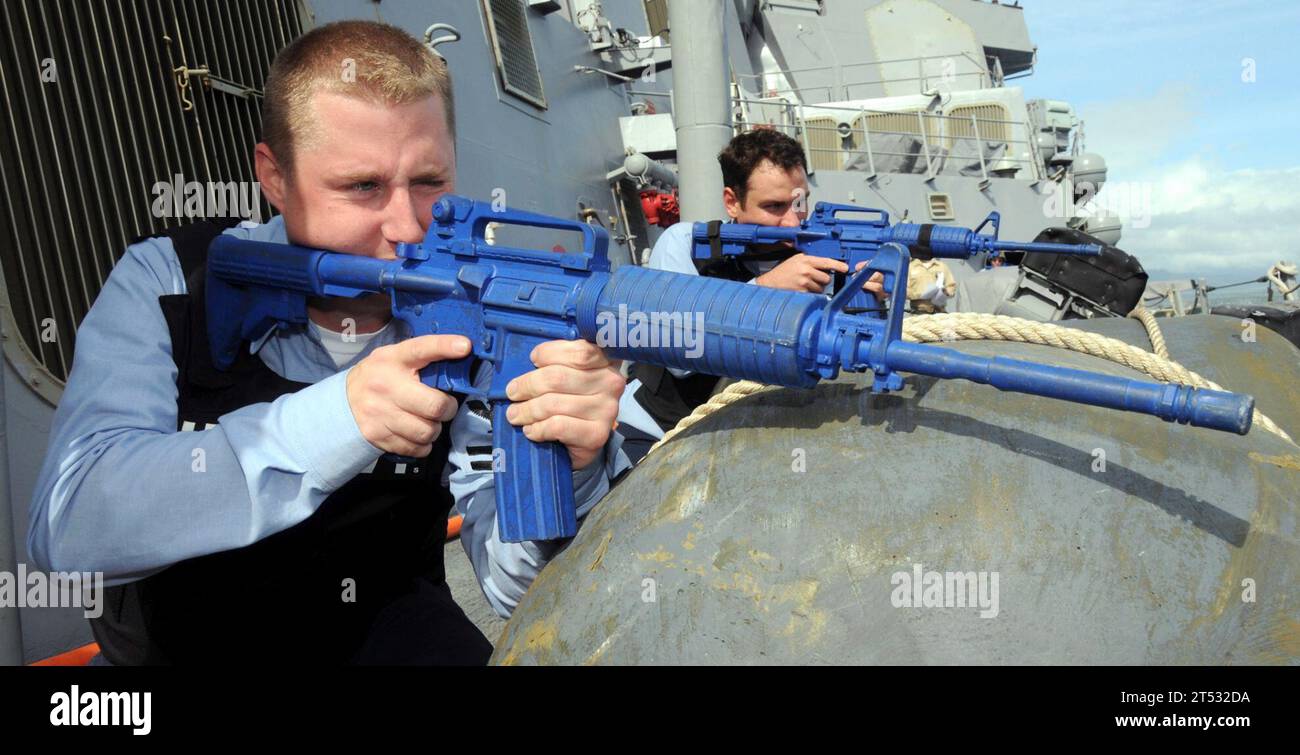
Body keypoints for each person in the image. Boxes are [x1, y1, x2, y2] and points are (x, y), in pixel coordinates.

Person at [27, 21, 628, 665]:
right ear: (275, 178)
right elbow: (69, 528)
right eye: (362, 187)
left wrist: (576, 470)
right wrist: (338, 418)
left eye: (430, 182)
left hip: (383, 629)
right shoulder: (174, 282)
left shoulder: (472, 302)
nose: (405, 226)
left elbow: (519, 591)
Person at [618, 129, 883, 461]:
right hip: (661, 430)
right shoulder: (685, 244)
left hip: (755, 439)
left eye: (799, 203)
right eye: (774, 206)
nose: (792, 221)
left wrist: (863, 299)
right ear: (732, 201)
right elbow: (679, 356)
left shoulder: (829, 255)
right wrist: (766, 288)